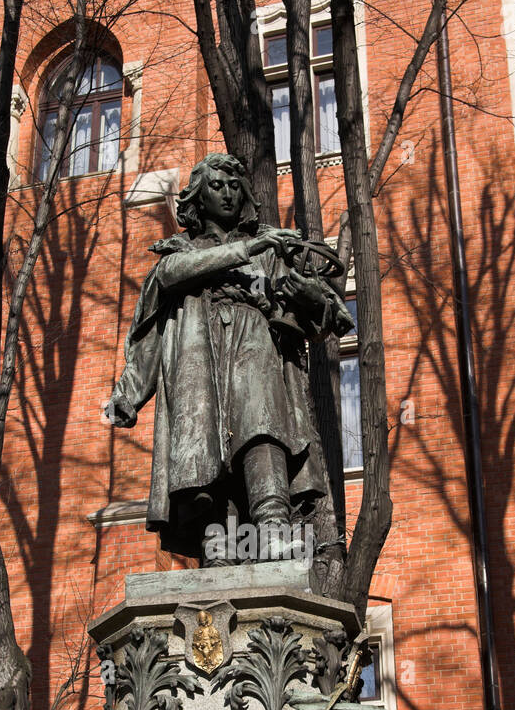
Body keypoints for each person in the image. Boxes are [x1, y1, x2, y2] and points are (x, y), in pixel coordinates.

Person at [105, 152, 352, 560]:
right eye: (216, 187)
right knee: (205, 450)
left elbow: (330, 314)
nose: (227, 195)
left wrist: (311, 297)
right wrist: (128, 394)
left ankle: (272, 524)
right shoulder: (181, 252)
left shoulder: (271, 250)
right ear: (198, 198)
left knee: (262, 423)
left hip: (252, 341)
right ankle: (220, 541)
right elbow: (161, 305)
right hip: (198, 353)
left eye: (235, 187)